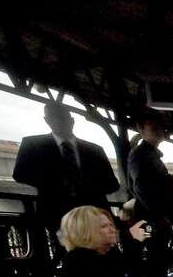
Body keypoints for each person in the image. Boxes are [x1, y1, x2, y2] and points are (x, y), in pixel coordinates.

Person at [13, 101, 121, 241]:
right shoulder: (32, 145)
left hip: (92, 215)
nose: (58, 122)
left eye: (62, 118)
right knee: (71, 254)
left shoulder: (95, 150)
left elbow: (112, 183)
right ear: (47, 121)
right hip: (57, 214)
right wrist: (57, 183)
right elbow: (20, 174)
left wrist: (86, 187)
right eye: (54, 118)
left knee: (96, 255)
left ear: (72, 121)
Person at [128, 109, 173, 277]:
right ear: (141, 128)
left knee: (156, 259)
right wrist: (160, 215)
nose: (159, 130)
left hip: (151, 218)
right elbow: (141, 188)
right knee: (155, 259)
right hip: (150, 219)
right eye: (154, 126)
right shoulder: (141, 154)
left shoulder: (146, 154)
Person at [55, 205, 126, 277]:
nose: (112, 230)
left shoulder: (98, 257)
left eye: (111, 225)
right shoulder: (84, 260)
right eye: (104, 226)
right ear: (84, 231)